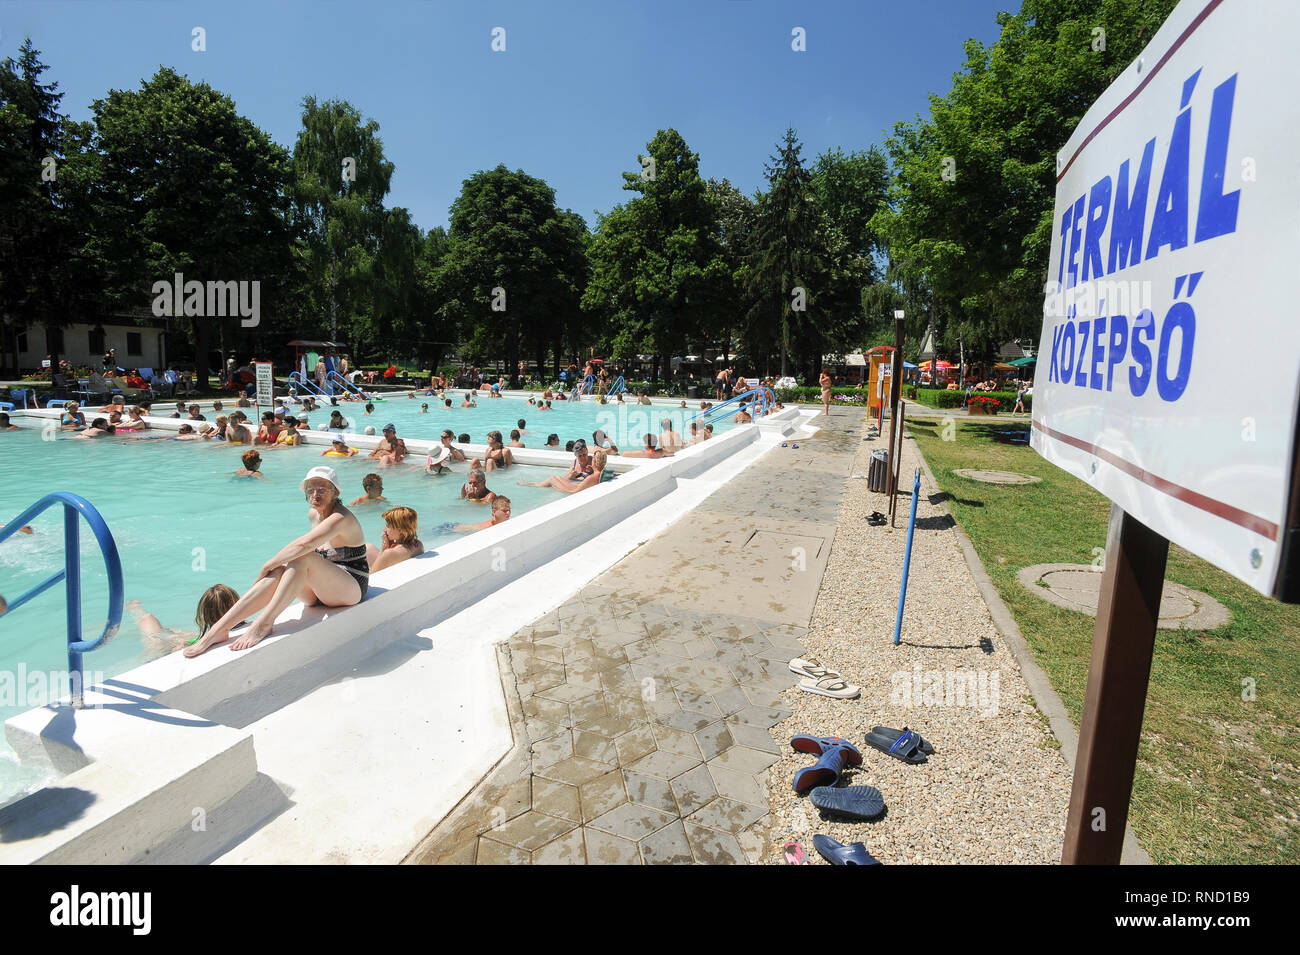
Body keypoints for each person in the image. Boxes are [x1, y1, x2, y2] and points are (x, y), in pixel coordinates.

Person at [184, 466, 369, 656]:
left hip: (351, 586)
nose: (315, 494)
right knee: (281, 570)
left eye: (322, 489)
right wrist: (274, 567)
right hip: (323, 589)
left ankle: (264, 623)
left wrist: (267, 565)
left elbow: (305, 544)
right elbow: (300, 545)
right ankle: (219, 629)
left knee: (302, 557)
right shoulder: (313, 514)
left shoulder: (341, 517)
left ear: (335, 493)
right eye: (311, 489)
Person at [127, 585, 241, 657]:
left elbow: (180, 648)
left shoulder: (207, 638)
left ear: (205, 615)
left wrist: (182, 646)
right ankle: (135, 610)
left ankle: (135, 610)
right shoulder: (235, 630)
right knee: (169, 632)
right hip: (191, 640)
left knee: (148, 619)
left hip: (163, 650)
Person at [366, 506, 424, 572]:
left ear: (400, 530)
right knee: (368, 547)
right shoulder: (418, 544)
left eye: (388, 526)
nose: (384, 529)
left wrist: (384, 548)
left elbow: (372, 576)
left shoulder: (389, 553)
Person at [520, 449, 608, 493]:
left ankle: (532, 485)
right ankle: (533, 484)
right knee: (556, 478)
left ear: (595, 462)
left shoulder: (592, 477)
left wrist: (559, 487)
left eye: (593, 459)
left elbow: (575, 491)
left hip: (572, 489)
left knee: (552, 479)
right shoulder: (600, 473)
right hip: (575, 486)